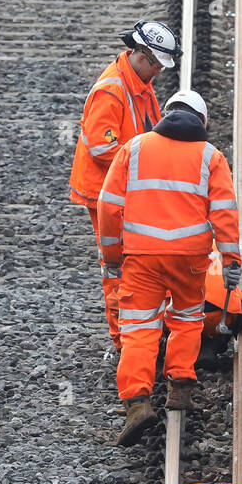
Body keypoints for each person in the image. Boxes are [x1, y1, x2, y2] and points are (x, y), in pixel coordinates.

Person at [97, 91, 242, 446]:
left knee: (139, 327)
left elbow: (107, 205)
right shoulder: (211, 156)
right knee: (187, 318)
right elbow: (224, 212)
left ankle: (137, 402)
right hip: (189, 259)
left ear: (166, 114)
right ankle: (180, 388)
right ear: (202, 122)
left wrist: (112, 254)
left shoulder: (133, 149)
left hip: (141, 257)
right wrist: (230, 260)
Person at [69, 20, 182, 351]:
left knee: (139, 261)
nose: (159, 73)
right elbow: (102, 146)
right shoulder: (112, 89)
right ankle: (124, 341)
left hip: (129, 190)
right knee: (117, 267)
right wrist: (147, 165)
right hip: (108, 195)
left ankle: (142, 330)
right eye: (158, 65)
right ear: (144, 55)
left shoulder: (139, 83)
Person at [195, 247, 242, 371]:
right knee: (240, 305)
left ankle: (181, 353)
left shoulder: (178, 250)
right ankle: (214, 343)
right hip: (220, 318)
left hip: (183, 318)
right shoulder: (224, 251)